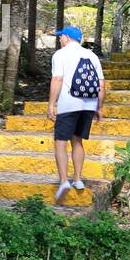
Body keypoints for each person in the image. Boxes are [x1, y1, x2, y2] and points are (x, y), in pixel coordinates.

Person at [47, 25, 106, 204]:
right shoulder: (92, 55)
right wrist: (99, 107)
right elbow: (102, 85)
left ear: (66, 37)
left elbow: (57, 79)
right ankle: (78, 179)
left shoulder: (60, 54)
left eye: (60, 37)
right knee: (78, 141)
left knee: (60, 142)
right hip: (88, 104)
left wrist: (51, 104)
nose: (59, 39)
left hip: (68, 104)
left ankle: (64, 181)